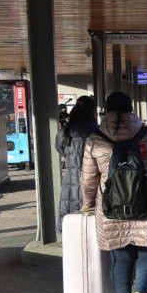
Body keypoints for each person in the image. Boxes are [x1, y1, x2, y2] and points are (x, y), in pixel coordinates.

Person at [81, 91, 147, 293]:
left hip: (111, 208)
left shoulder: (95, 139)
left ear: (106, 110)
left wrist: (88, 204)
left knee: (121, 258)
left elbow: (88, 179)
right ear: (131, 109)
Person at [55, 96, 98, 232]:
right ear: (92, 112)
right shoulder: (97, 131)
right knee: (93, 219)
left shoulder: (64, 132)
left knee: (71, 217)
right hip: (93, 179)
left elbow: (60, 149)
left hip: (71, 179)